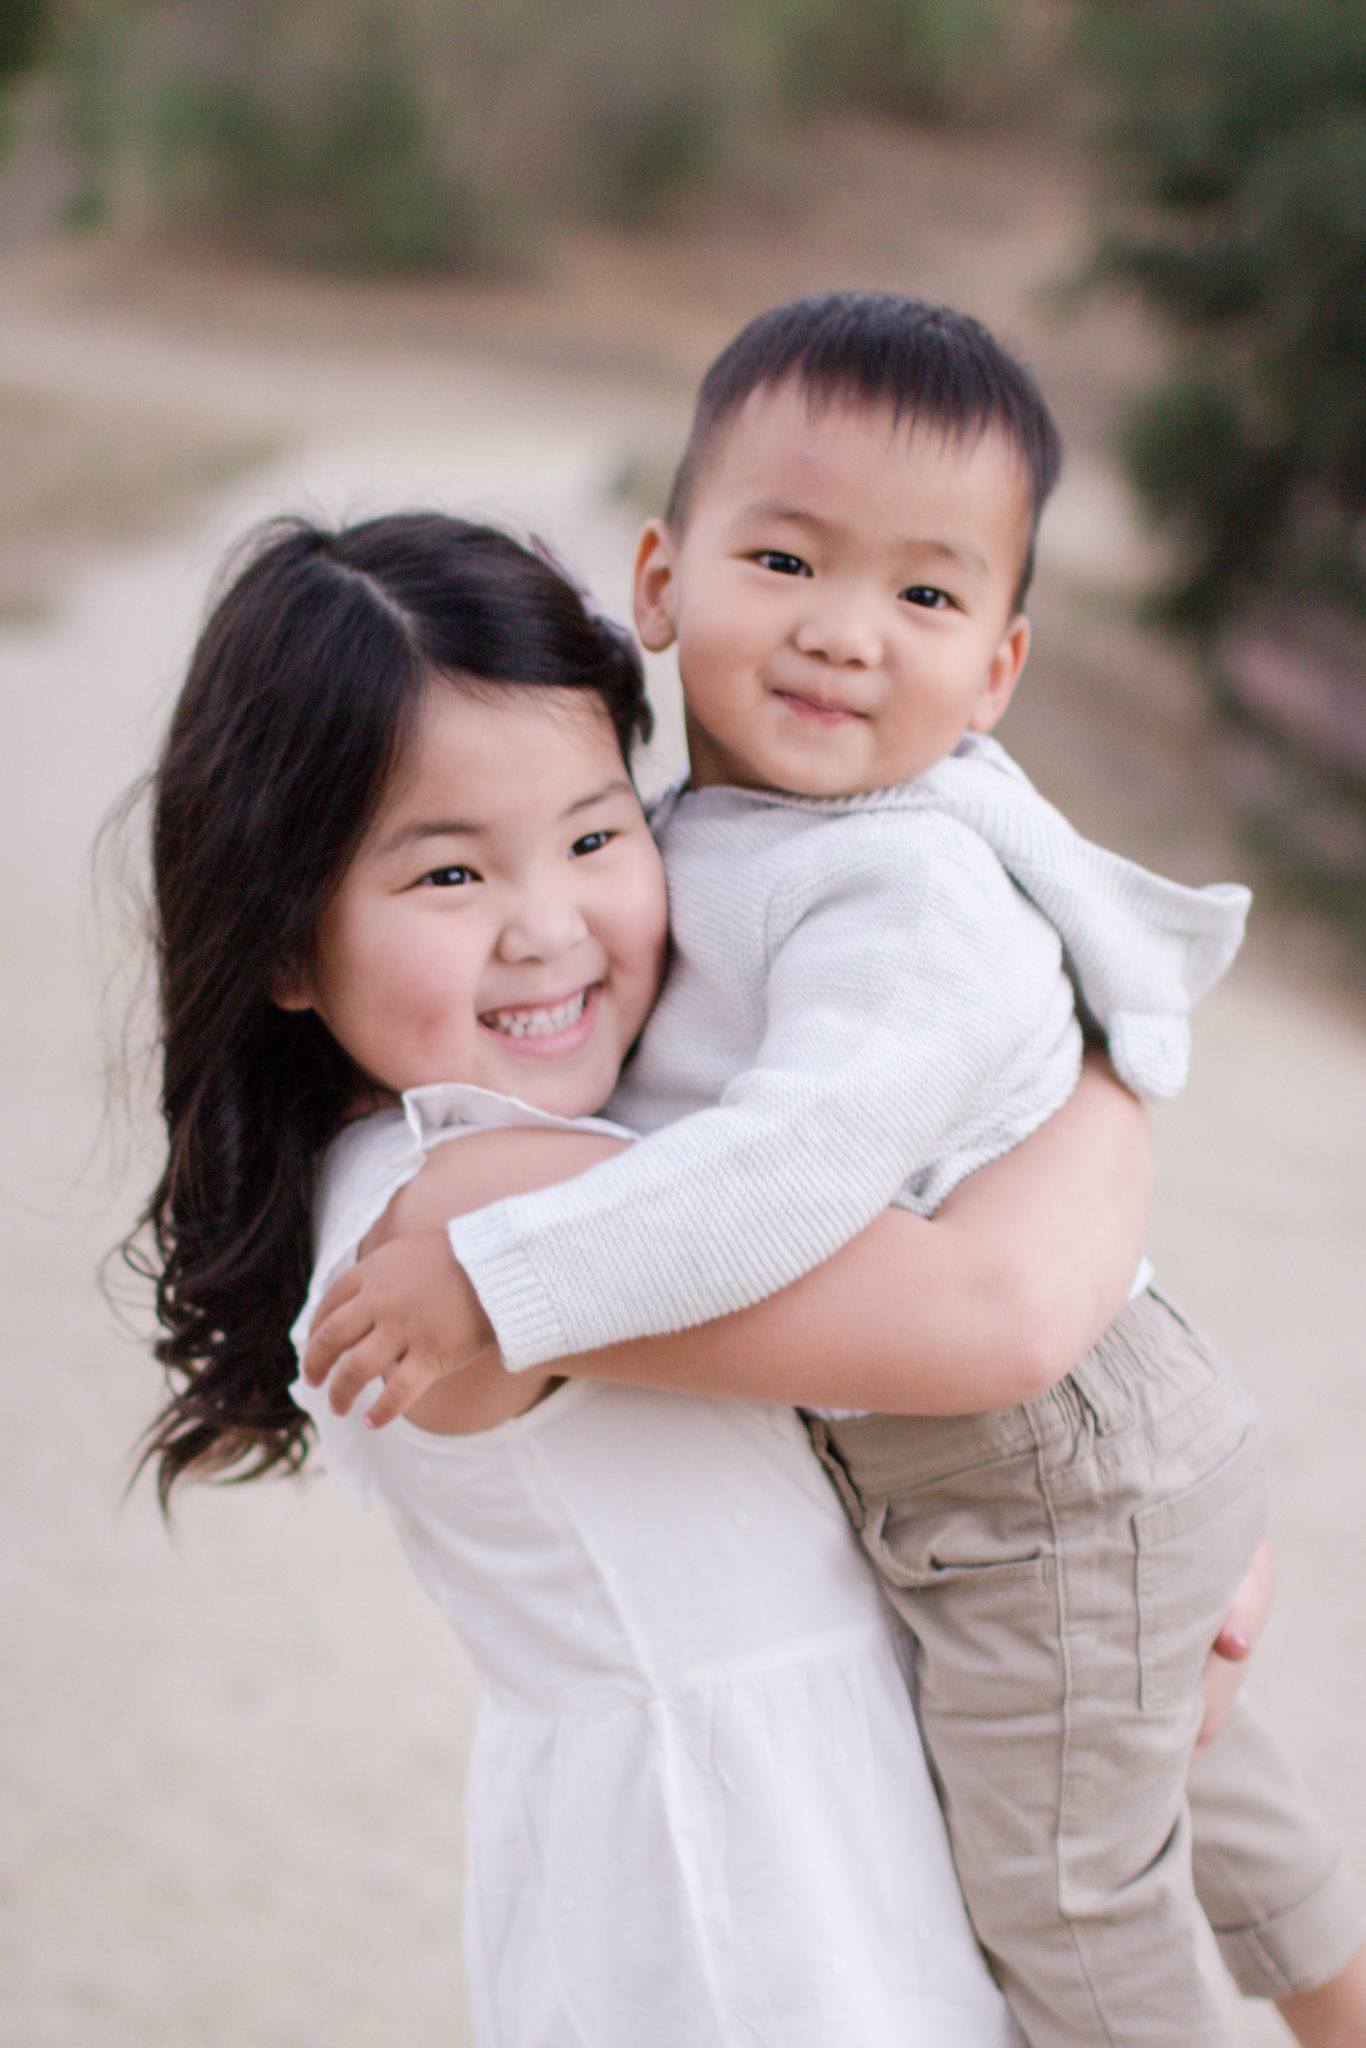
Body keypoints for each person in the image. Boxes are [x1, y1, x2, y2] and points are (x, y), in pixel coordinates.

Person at [304, 298, 1366, 2046]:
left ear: (996, 673)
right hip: (1064, 1437)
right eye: (787, 558)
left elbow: (787, 1172)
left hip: (1042, 1468)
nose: (845, 634)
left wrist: (506, 1275)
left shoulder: (899, 893)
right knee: (1188, 1767)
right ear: (660, 579)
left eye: (925, 596)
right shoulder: (703, 836)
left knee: (1069, 1894)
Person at [137, 510, 1185, 2045]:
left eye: (591, 833)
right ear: (285, 944)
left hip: (806, 1833)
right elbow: (999, 1315)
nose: (548, 931)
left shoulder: (581, 1147)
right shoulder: (483, 1204)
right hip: (753, 1909)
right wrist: (1112, 1076)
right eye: (445, 876)